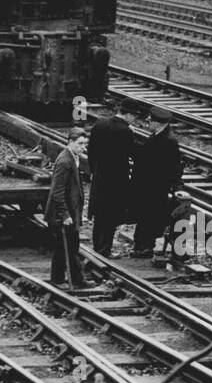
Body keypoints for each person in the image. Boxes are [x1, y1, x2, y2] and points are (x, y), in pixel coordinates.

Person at [44, 127, 90, 290]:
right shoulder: (65, 161)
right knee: (67, 246)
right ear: (70, 142)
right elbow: (57, 191)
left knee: (68, 247)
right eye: (80, 143)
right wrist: (65, 215)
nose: (83, 147)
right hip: (62, 214)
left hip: (70, 212)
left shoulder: (73, 157)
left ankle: (62, 278)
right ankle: (71, 279)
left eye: (85, 144)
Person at [87, 104, 135, 255]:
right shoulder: (125, 131)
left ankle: (97, 247)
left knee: (99, 216)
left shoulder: (100, 124)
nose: (133, 120)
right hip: (116, 181)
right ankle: (104, 250)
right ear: (128, 115)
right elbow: (131, 153)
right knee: (111, 217)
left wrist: (93, 170)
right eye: (134, 116)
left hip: (99, 177)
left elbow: (91, 150)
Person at [131, 117, 182, 257]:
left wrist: (177, 186)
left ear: (159, 122)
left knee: (150, 218)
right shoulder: (158, 135)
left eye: (150, 119)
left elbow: (175, 167)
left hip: (156, 188)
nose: (147, 120)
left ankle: (145, 248)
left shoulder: (168, 141)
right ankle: (140, 247)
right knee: (145, 216)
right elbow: (145, 155)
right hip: (149, 186)